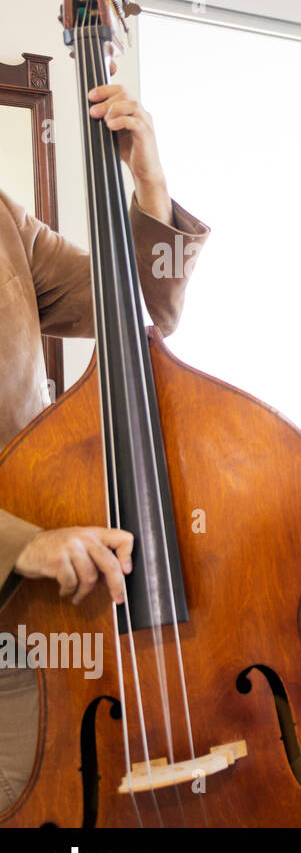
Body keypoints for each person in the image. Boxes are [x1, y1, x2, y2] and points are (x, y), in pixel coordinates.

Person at [0, 79, 208, 814]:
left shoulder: (4, 225)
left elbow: (141, 306)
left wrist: (149, 182)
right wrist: (22, 544)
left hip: (40, 623)